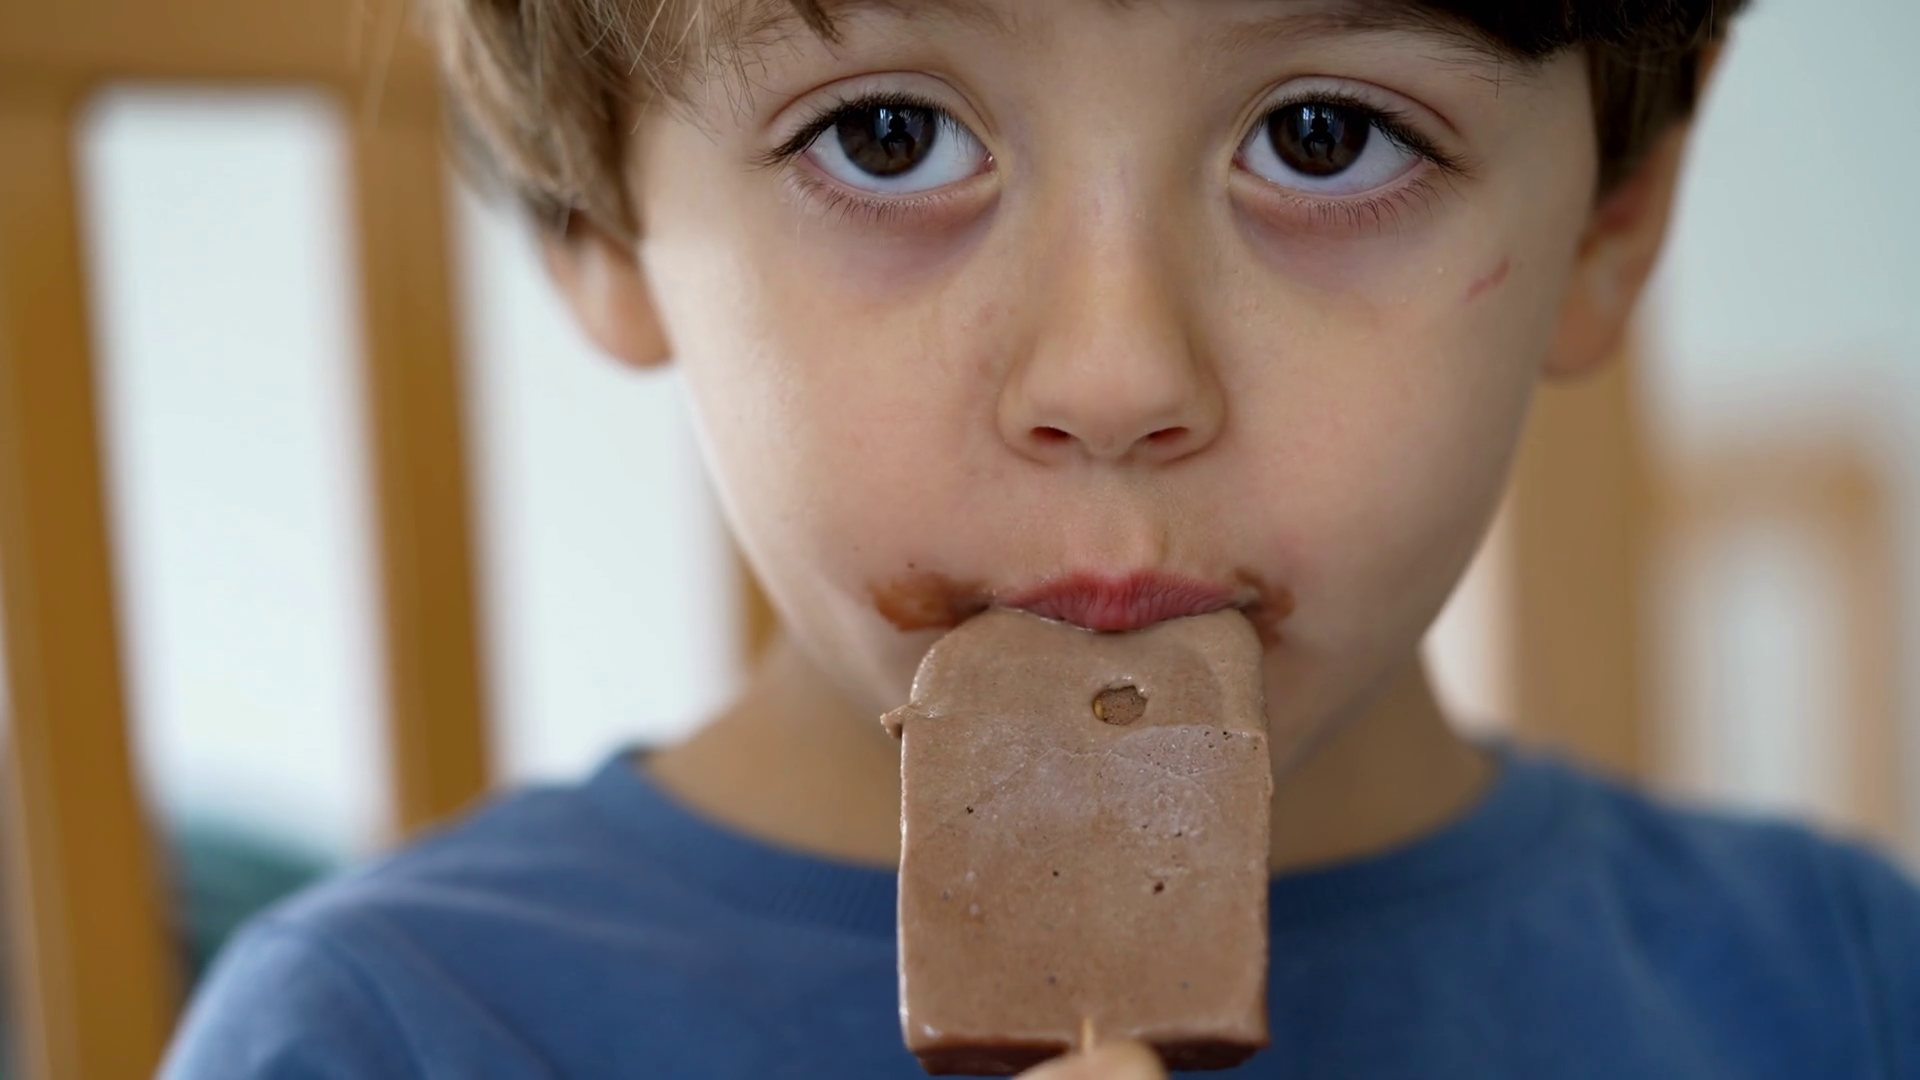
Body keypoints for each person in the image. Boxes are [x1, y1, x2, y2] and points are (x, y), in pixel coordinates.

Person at [161, 0, 1920, 1076]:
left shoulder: (1838, 995)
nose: (1114, 372)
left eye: (1325, 138)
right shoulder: (387, 1037)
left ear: (1614, 221)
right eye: (887, 133)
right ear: (599, 213)